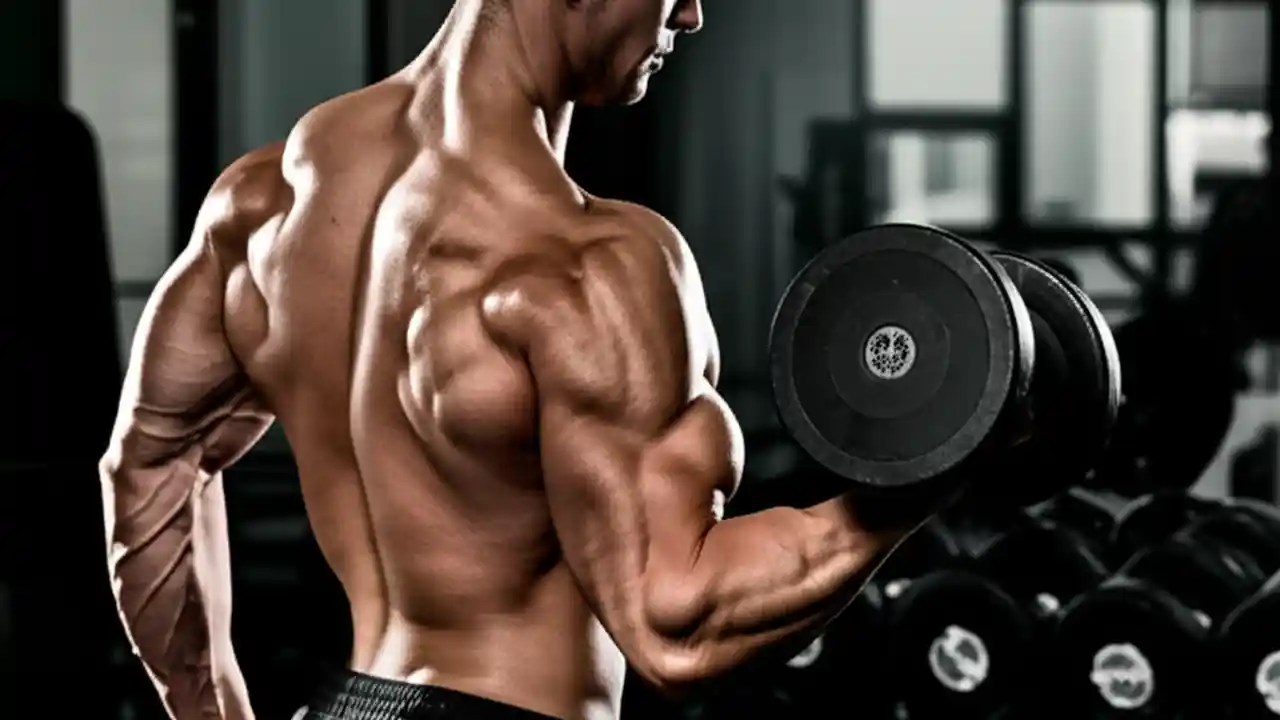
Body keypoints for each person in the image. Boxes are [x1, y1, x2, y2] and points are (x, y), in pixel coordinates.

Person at [98, 1, 927, 718]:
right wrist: (938, 474)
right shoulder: (588, 262)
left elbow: (148, 466)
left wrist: (209, 709)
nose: (689, 15)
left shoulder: (265, 203)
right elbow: (679, 623)